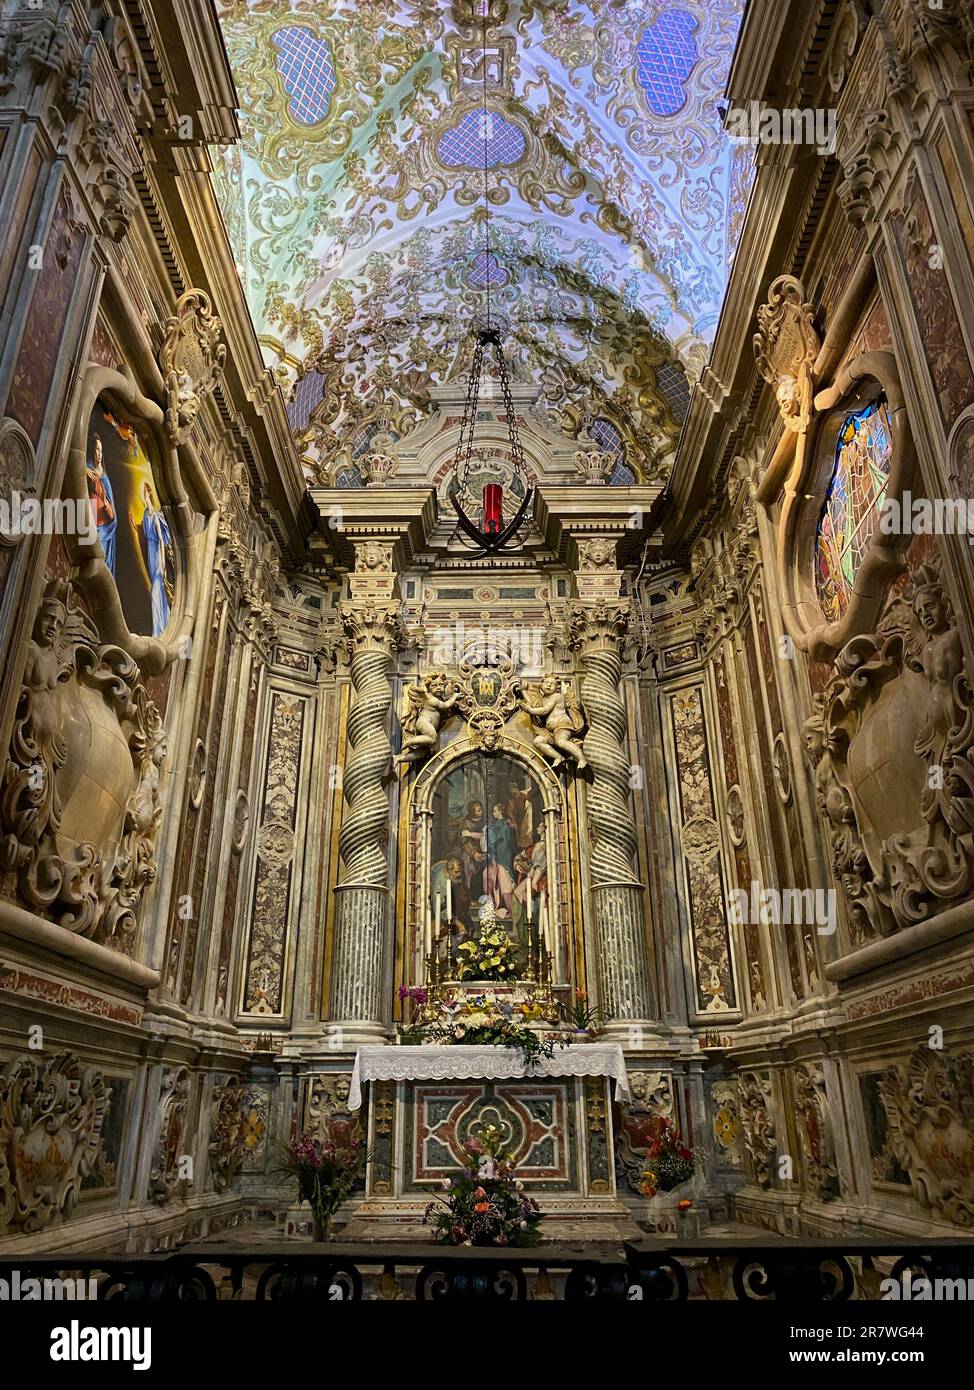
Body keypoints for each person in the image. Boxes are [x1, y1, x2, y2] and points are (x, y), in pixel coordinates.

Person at [141, 482, 172, 637]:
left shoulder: (156, 516)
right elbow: (145, 533)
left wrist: (163, 564)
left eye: (145, 493)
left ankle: (158, 629)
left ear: (149, 495)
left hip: (157, 556)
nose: (144, 495)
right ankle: (163, 622)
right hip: (150, 552)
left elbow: (161, 540)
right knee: (155, 587)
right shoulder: (146, 513)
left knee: (155, 591)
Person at [86, 434, 116, 572]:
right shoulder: (87, 467)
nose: (99, 454)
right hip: (88, 516)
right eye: (97, 449)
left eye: (101, 451)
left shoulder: (105, 478)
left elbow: (112, 514)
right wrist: (84, 469)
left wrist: (105, 503)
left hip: (103, 526)